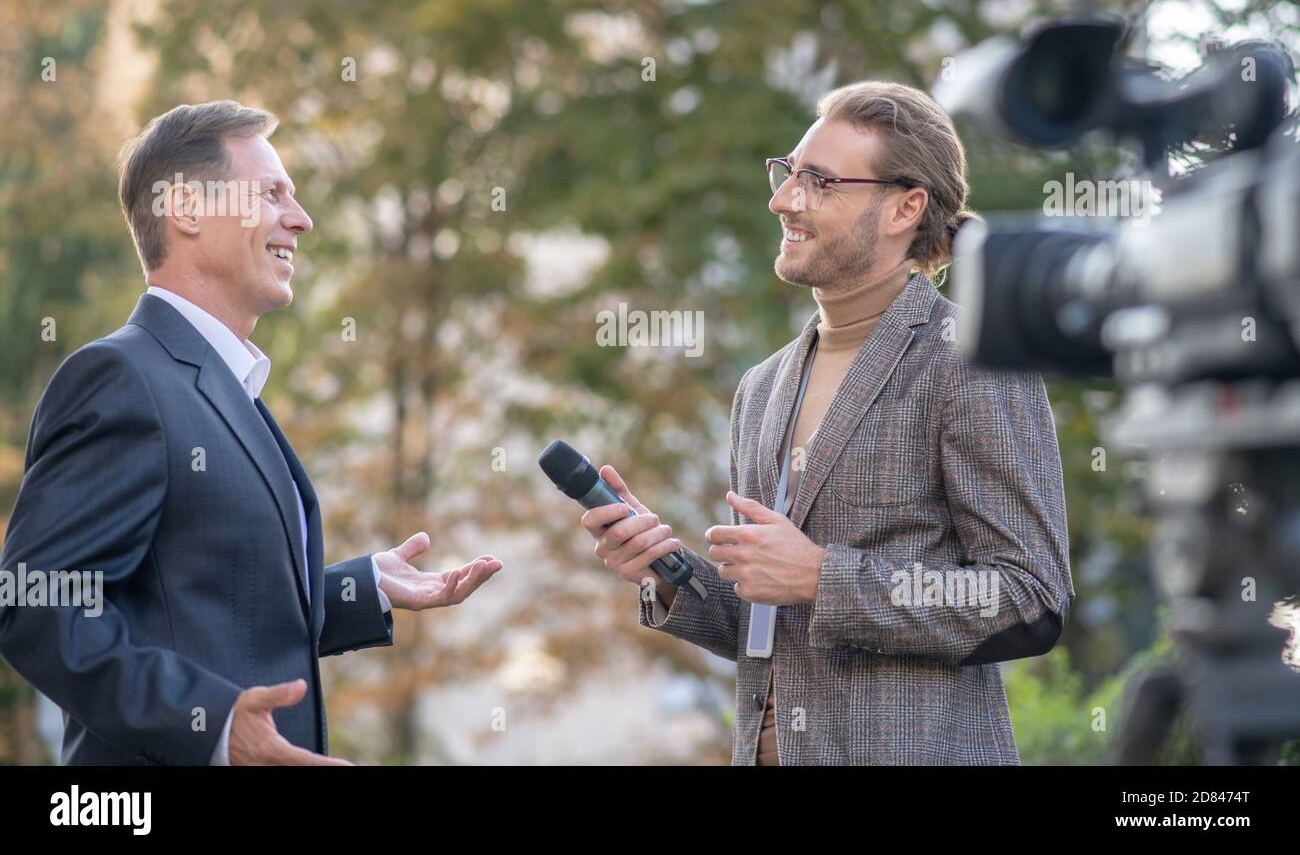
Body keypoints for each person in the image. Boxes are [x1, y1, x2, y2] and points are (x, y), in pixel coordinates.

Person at [581, 81, 1074, 764]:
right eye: (788, 174)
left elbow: (1029, 599)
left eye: (820, 182)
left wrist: (823, 577)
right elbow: (769, 625)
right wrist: (665, 572)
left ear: (906, 207)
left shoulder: (970, 361)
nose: (784, 200)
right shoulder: (761, 388)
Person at [0, 100, 502, 765]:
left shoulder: (222, 387)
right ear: (185, 210)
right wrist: (210, 723)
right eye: (271, 193)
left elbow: (201, 606)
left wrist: (362, 587)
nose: (301, 218)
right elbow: (37, 602)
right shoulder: (121, 377)